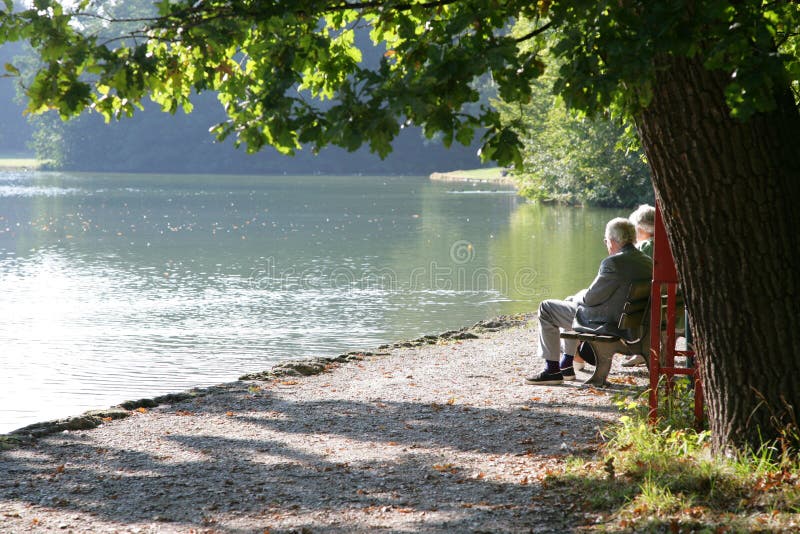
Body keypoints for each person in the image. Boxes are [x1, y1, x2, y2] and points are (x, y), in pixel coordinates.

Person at [526, 217, 653, 385]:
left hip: (607, 324)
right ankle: (566, 364)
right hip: (633, 323)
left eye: (606, 241)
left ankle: (552, 370)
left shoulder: (613, 263)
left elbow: (589, 299)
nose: (606, 244)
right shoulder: (647, 261)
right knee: (570, 300)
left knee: (546, 308)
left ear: (613, 240)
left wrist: (579, 295)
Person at [621, 203, 656, 366]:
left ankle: (641, 350)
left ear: (641, 228)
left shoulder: (644, 247)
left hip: (644, 310)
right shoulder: (663, 244)